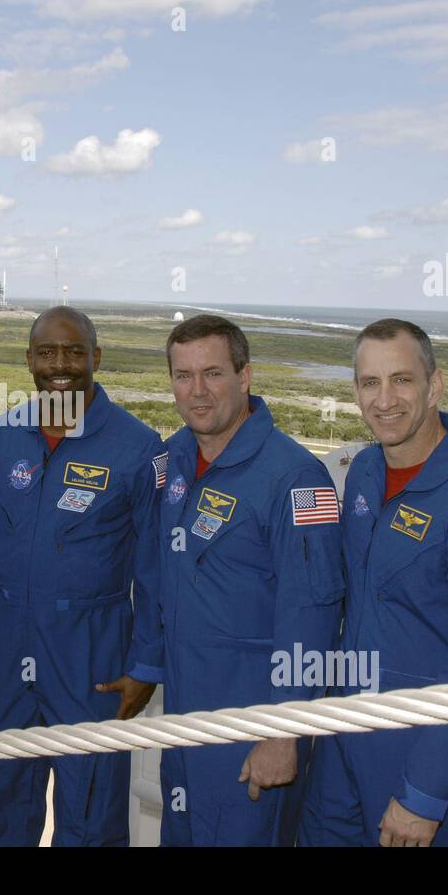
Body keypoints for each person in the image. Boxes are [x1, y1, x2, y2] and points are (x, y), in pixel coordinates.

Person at [300, 318, 448, 847]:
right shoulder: (364, 471)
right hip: (341, 744)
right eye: (369, 382)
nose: (385, 400)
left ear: (435, 387)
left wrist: (424, 795)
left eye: (402, 380)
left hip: (420, 755)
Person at [0, 306, 164, 846]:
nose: (61, 363)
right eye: (47, 351)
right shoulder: (1, 436)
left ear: (96, 357)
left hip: (90, 650)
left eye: (74, 351)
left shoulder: (137, 447)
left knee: (90, 806)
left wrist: (146, 663)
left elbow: (155, 570)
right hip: (6, 643)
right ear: (28, 359)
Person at [158, 314, 344, 846]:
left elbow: (312, 613)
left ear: (245, 377)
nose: (197, 391)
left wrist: (283, 733)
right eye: (183, 375)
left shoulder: (296, 478)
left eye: (213, 374)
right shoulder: (171, 459)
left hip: (248, 728)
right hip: (182, 718)